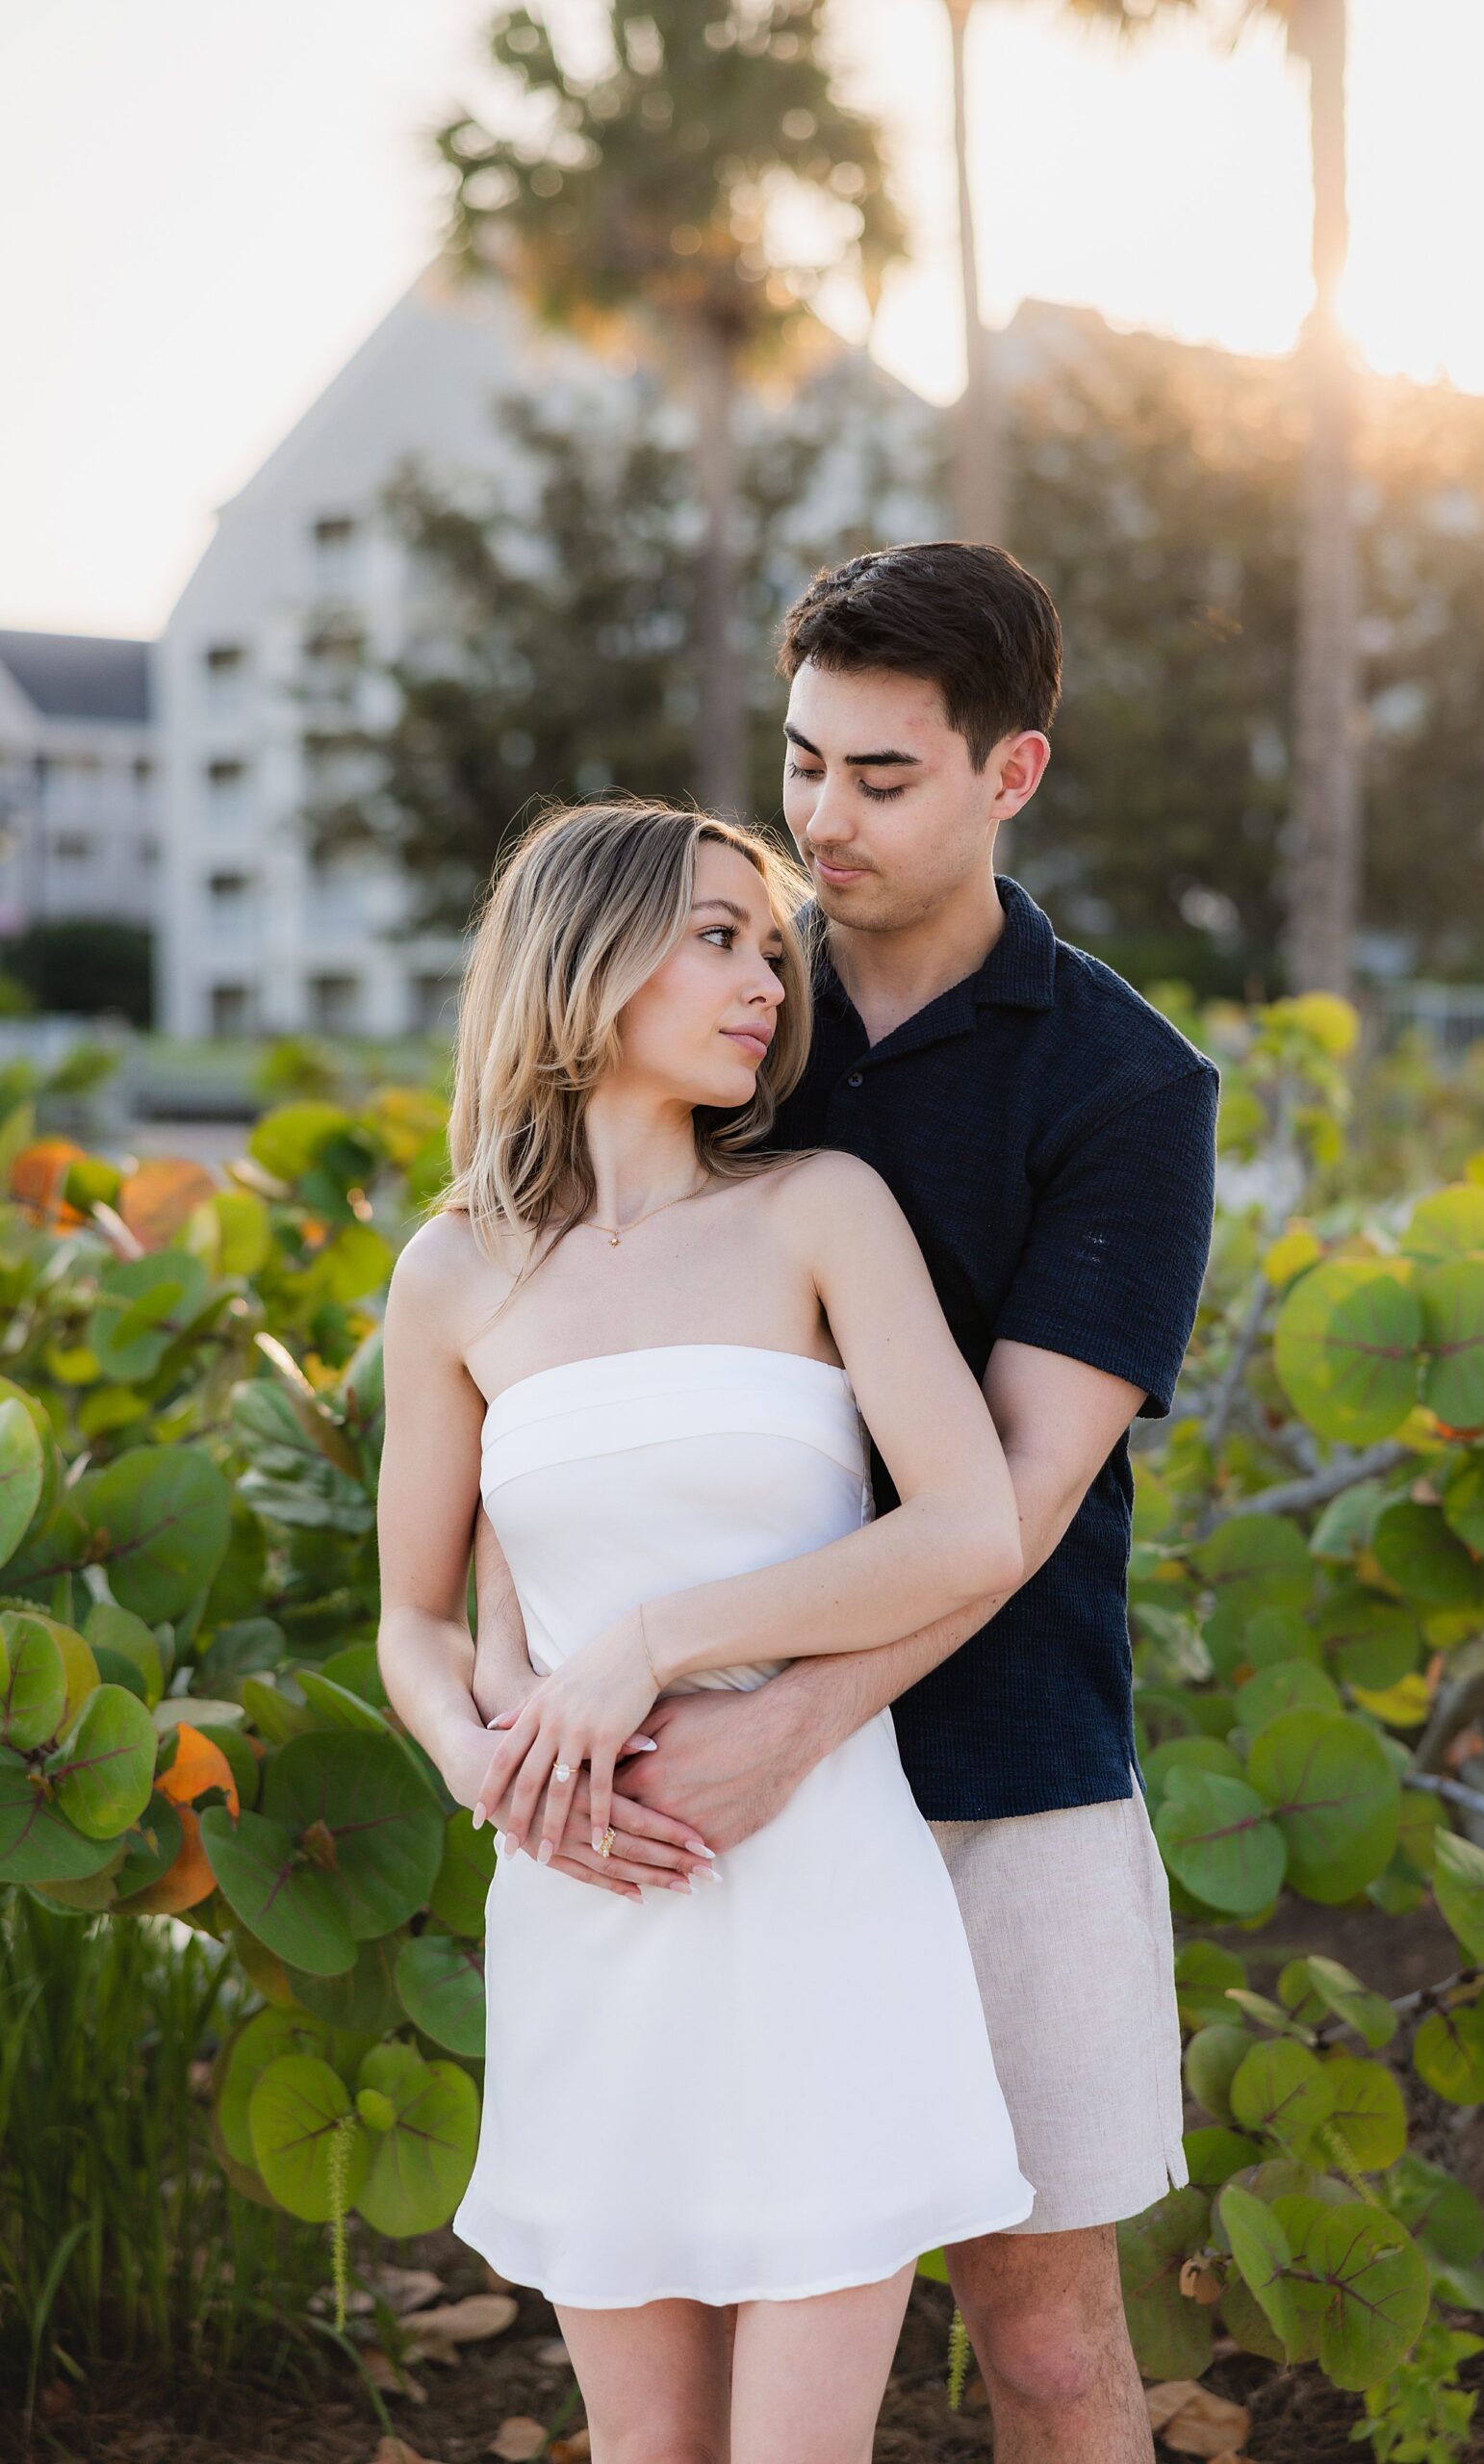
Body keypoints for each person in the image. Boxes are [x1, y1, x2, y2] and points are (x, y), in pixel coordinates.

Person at [473, 543, 1220, 2464]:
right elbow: (537, 1345)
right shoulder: (703, 996)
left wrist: (790, 1724)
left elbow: (1022, 1489)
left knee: (1045, 2341)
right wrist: (509, 1671)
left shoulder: (1121, 1080)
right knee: (728, 2363)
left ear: (1009, 771)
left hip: (1001, 1765)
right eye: (802, 761)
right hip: (694, 1804)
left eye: (880, 776)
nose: (819, 818)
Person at [375, 797, 1037, 2464]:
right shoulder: (453, 1273)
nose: (769, 979)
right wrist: (487, 1767)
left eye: (771, 941)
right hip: (585, 1909)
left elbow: (969, 1525)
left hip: (820, 1895)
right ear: (584, 959)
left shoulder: (821, 1208)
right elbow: (410, 1620)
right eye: (719, 935)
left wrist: (651, 1640)